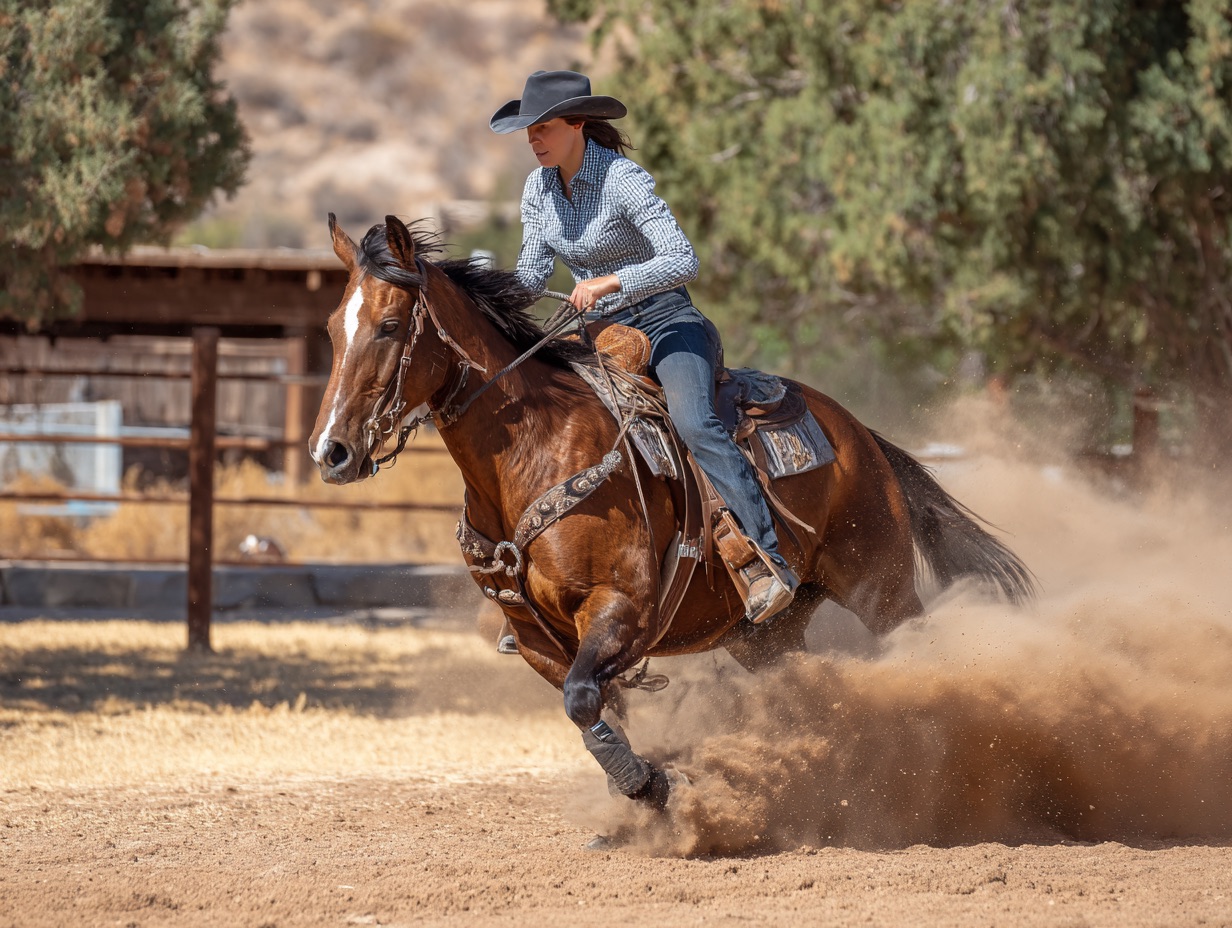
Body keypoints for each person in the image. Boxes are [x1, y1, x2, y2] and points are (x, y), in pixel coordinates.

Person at [489, 69, 798, 632]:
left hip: (668, 322)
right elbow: (533, 274)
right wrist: (483, 293)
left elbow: (684, 260)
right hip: (600, 338)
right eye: (528, 131)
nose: (533, 140)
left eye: (544, 128)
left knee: (696, 423)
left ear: (577, 123)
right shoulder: (537, 189)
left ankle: (764, 559)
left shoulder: (621, 179)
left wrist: (609, 283)